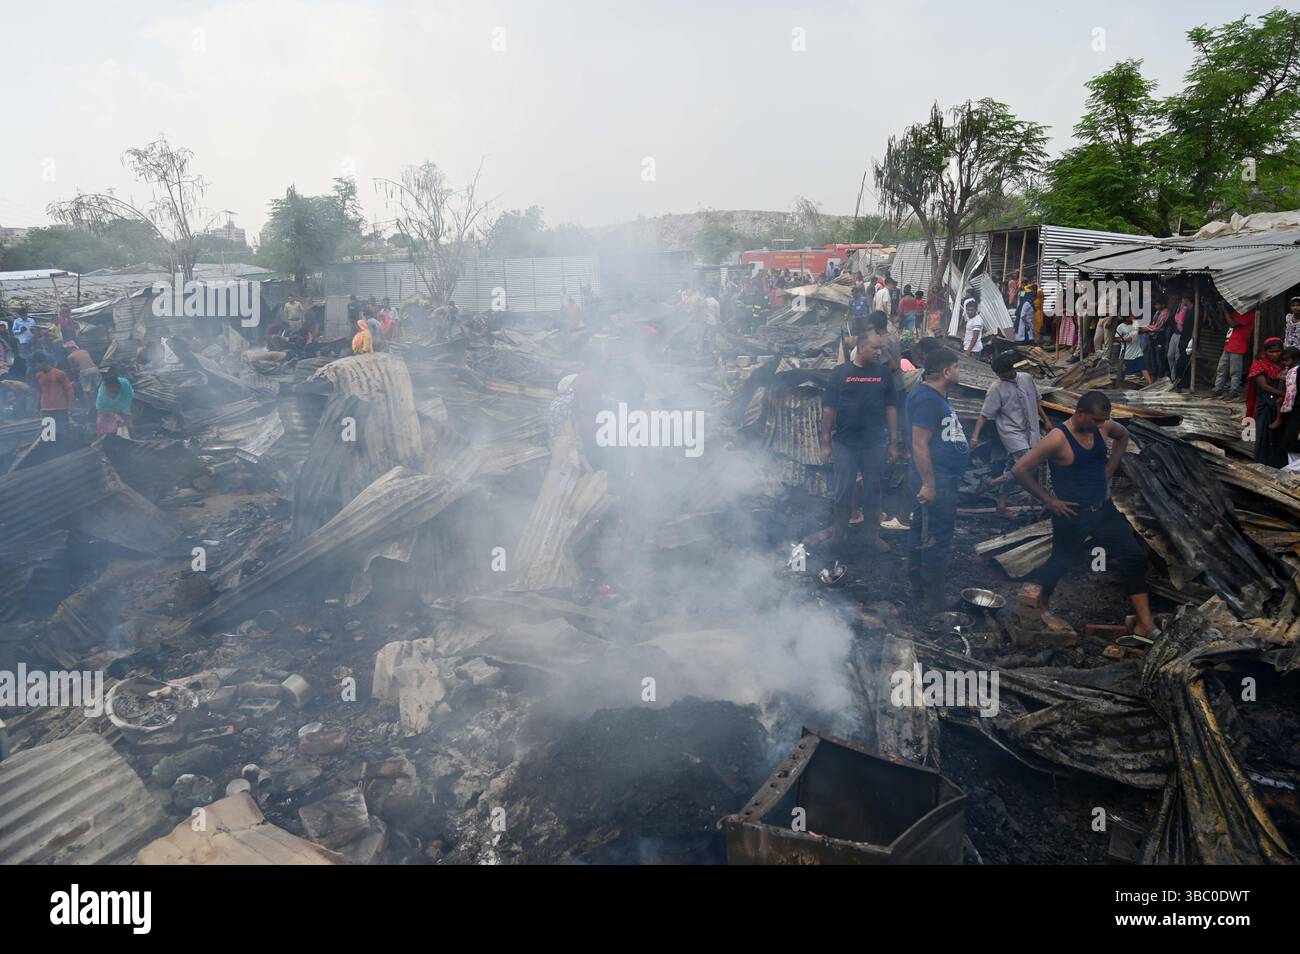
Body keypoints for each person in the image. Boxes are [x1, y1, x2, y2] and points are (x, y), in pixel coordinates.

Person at [1011, 390, 1158, 639]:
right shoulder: (1058, 438)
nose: (1101, 425)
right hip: (1072, 514)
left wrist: (1110, 467)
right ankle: (1041, 606)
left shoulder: (1101, 427)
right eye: (1096, 420)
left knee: (1132, 556)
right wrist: (1049, 500)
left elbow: (1123, 436)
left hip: (1102, 509)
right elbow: (1020, 469)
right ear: (1079, 414)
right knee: (1061, 561)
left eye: (1104, 420)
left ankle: (1146, 623)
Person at [820, 327, 900, 556]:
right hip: (845, 442)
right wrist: (826, 442)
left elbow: (891, 408)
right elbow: (829, 408)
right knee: (843, 489)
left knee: (873, 489)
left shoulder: (883, 374)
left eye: (880, 348)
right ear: (861, 347)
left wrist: (893, 443)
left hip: (875, 443)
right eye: (874, 348)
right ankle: (839, 535)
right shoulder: (840, 373)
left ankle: (871, 536)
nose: (879, 352)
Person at [906, 347, 969, 607]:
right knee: (937, 535)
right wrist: (929, 484)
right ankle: (932, 598)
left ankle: (919, 590)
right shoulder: (928, 399)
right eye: (957, 367)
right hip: (936, 478)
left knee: (926, 529)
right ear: (946, 371)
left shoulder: (935, 396)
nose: (959, 371)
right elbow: (919, 443)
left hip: (941, 476)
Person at [971, 351, 1051, 515]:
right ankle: (992, 483)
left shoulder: (1026, 378)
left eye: (1002, 374)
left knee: (1012, 465)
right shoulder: (996, 388)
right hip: (1011, 433)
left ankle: (1001, 501)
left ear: (1010, 369)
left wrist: (1046, 420)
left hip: (1031, 430)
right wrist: (974, 436)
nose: (1000, 377)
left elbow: (1036, 400)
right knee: (1027, 465)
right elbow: (985, 414)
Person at [1247, 338, 1286, 467]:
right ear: (1265, 352)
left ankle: (1277, 463)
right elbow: (1263, 386)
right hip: (1264, 404)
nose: (1275, 354)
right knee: (1263, 433)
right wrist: (1283, 394)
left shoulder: (1285, 365)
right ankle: (1261, 462)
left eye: (1278, 351)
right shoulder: (1259, 365)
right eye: (1271, 352)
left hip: (1281, 404)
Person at [1213, 300, 1257, 399]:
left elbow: (1232, 324)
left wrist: (1224, 310)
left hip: (1238, 345)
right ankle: (1217, 389)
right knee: (1221, 369)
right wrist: (1222, 311)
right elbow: (1224, 321)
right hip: (1229, 344)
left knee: (1235, 371)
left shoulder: (1248, 314)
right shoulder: (1239, 312)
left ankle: (1233, 391)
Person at [33, 351, 76, 443]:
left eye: (37, 364)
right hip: (45, 409)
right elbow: (40, 391)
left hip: (60, 408)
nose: (36, 367)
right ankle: (51, 452)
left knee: (63, 433)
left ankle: (65, 452)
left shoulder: (59, 374)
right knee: (47, 435)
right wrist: (37, 406)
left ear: (44, 362)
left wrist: (71, 406)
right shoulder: (39, 376)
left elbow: (69, 389)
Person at [95, 372, 135, 437]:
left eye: (115, 391)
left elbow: (127, 404)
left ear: (119, 386)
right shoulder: (102, 394)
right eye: (109, 392)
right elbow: (100, 410)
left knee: (127, 424)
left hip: (122, 407)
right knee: (105, 428)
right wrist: (114, 415)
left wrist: (123, 417)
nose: (112, 394)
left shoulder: (125, 386)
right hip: (107, 410)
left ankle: (130, 434)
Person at [1115, 316, 1151, 385]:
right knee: (1128, 373)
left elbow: (1141, 330)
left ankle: (1150, 384)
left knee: (1143, 368)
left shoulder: (1135, 324)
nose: (1133, 318)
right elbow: (1116, 338)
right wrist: (1124, 339)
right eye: (1131, 317)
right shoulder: (1120, 327)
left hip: (1137, 351)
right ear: (1126, 318)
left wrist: (1150, 328)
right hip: (1127, 354)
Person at [1168, 292, 1193, 388]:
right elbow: (1173, 319)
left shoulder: (1187, 310)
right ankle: (1173, 376)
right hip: (1175, 333)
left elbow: (1182, 321)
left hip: (1181, 335)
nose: (1182, 301)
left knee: (1178, 356)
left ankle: (1178, 379)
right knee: (1170, 355)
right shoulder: (1178, 308)